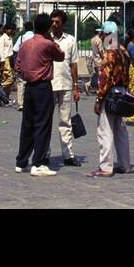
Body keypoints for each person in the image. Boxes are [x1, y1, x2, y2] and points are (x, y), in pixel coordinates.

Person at [14, 13, 65, 177]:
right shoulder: (47, 44)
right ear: (48, 28)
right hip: (43, 86)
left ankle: (21, 161)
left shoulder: (25, 44)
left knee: (27, 124)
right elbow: (61, 56)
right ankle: (39, 162)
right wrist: (50, 38)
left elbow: (18, 66)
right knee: (42, 124)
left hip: (29, 87)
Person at [90, 22, 131, 177]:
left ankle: (106, 167)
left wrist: (99, 99)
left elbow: (105, 77)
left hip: (110, 93)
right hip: (122, 91)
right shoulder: (122, 51)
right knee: (121, 130)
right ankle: (124, 164)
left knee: (105, 130)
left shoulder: (109, 53)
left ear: (107, 35)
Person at [49, 10, 80, 166]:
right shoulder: (46, 40)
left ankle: (68, 155)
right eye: (52, 21)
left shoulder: (70, 40)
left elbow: (74, 64)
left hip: (66, 84)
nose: (54, 24)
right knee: (46, 121)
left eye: (57, 22)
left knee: (65, 121)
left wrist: (76, 86)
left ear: (63, 23)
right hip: (49, 84)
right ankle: (44, 153)